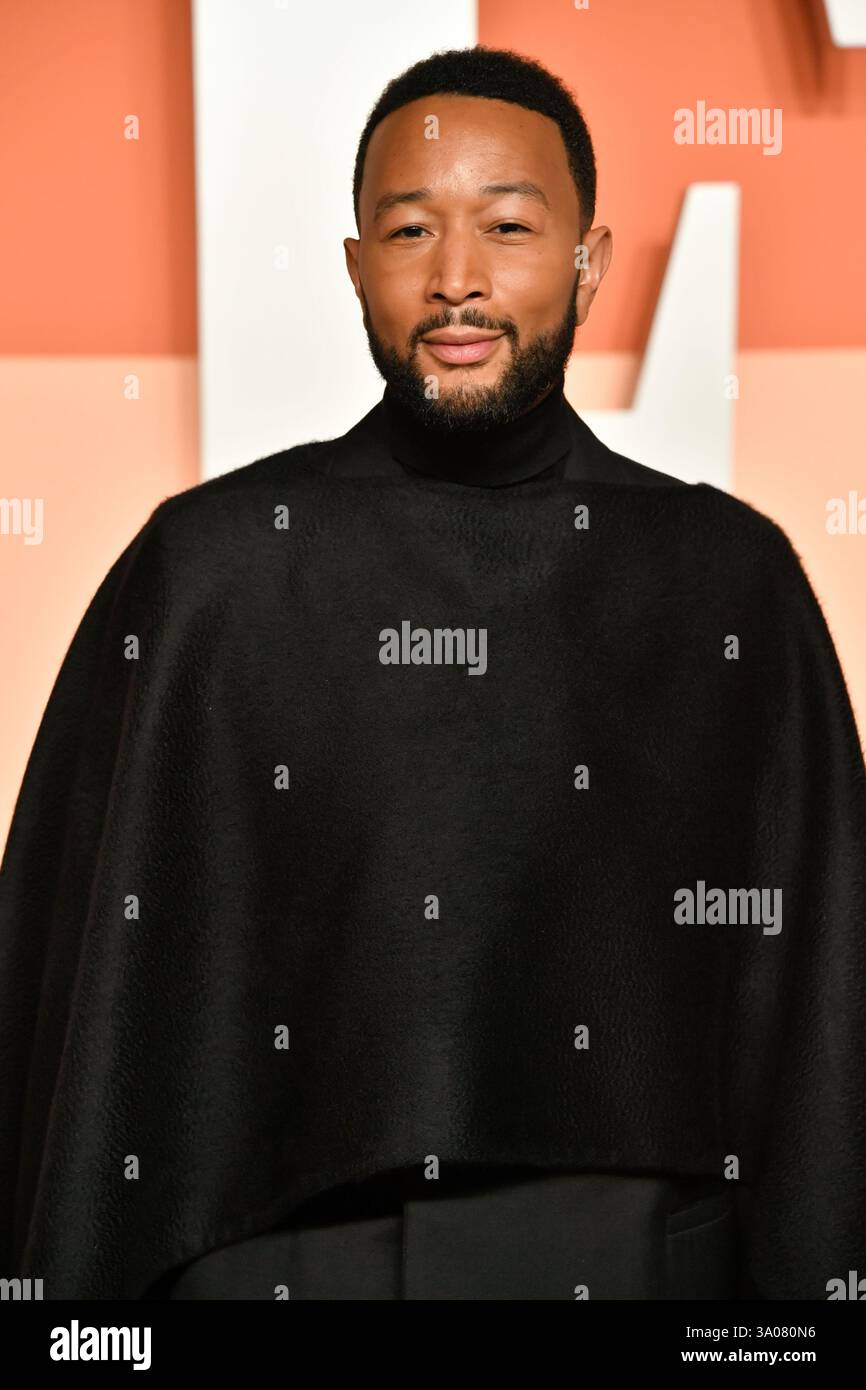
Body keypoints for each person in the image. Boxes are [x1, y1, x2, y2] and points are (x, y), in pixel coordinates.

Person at [2, 46, 864, 1302]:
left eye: (508, 226)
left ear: (589, 257)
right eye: (409, 230)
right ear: (354, 263)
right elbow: (73, 1006)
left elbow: (818, 1022)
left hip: (638, 1268)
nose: (457, 281)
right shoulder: (209, 572)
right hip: (268, 1264)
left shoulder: (725, 584)